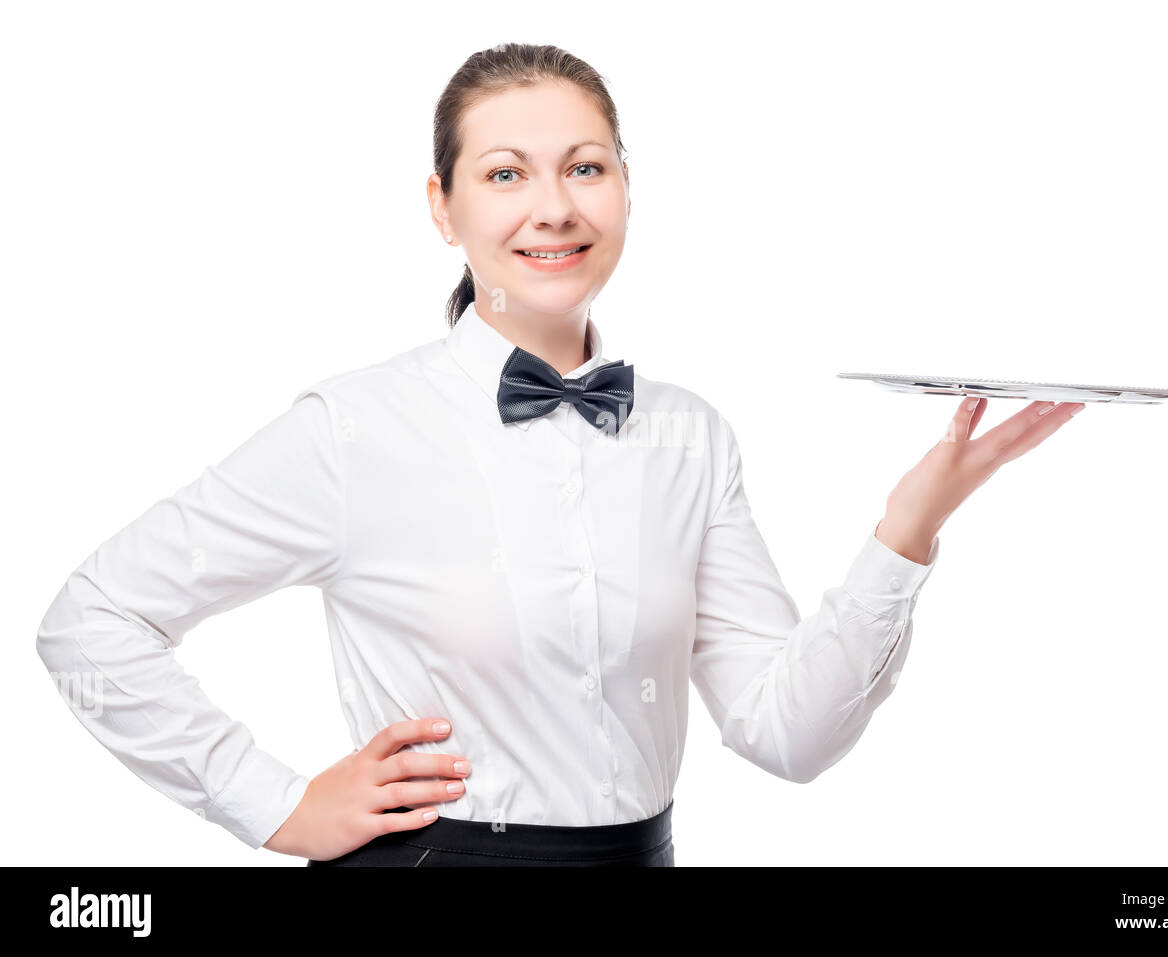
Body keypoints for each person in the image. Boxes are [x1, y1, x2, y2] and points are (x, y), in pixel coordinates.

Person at [35, 42, 1084, 867]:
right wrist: (273, 805)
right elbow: (91, 620)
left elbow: (786, 737)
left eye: (586, 167)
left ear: (627, 189)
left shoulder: (687, 433)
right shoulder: (354, 428)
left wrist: (911, 523)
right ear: (443, 207)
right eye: (504, 173)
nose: (554, 207)